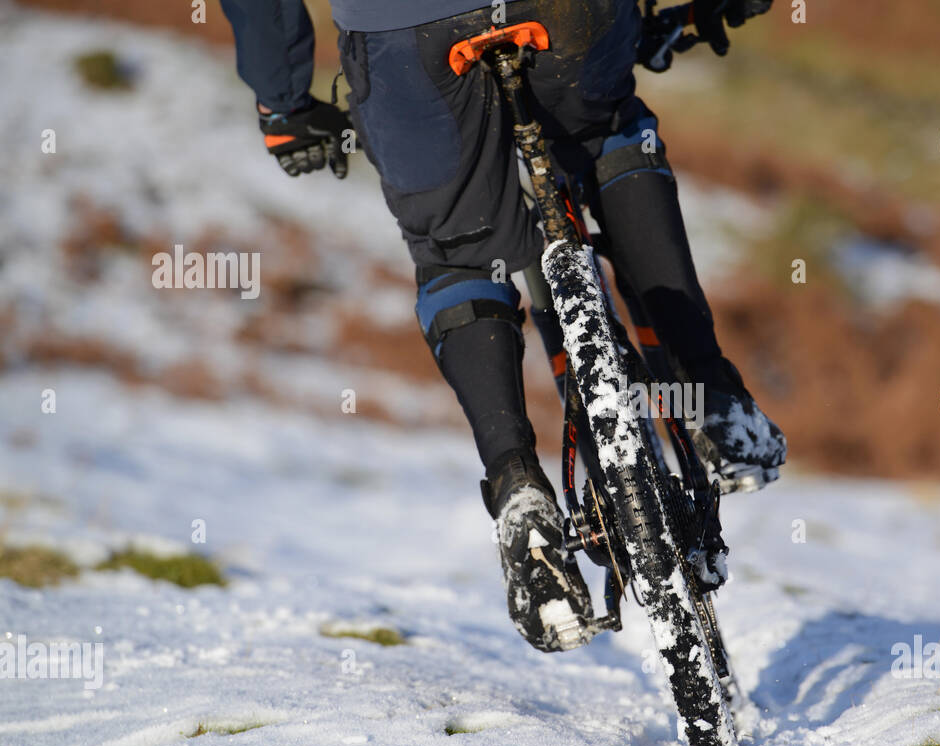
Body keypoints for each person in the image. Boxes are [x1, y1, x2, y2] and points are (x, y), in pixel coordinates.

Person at [219, 0, 785, 652]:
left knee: (456, 249)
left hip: (402, 35)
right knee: (606, 134)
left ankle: (519, 493)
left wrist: (284, 102)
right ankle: (712, 396)